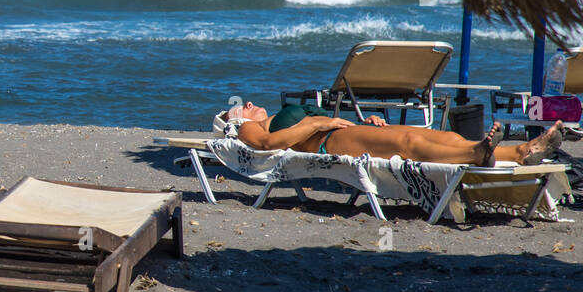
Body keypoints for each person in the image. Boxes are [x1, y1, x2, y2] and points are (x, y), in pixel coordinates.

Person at [223, 100, 562, 167]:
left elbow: (330, 121)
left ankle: (521, 152)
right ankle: (475, 155)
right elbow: (269, 144)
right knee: (409, 144)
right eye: (240, 107)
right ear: (231, 123)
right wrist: (317, 123)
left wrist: (363, 121)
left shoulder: (265, 118)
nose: (249, 103)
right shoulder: (248, 130)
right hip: (329, 144)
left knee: (442, 136)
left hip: (348, 133)